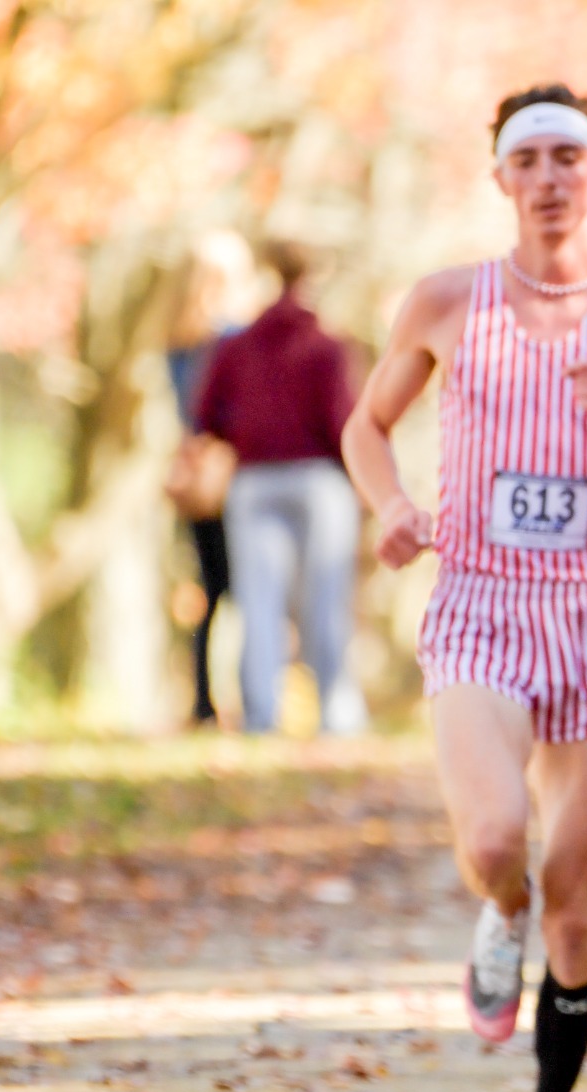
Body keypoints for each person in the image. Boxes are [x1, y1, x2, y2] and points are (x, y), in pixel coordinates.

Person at [339, 84, 587, 1092]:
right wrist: (391, 503)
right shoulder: (449, 301)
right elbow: (364, 424)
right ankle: (494, 914)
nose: (549, 178)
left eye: (568, 158)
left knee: (578, 909)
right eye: (528, 159)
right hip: (480, 607)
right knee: (499, 838)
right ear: (500, 178)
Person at [193, 240, 367, 735]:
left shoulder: (235, 345)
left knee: (259, 602)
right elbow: (343, 424)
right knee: (325, 599)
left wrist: (250, 428)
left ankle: (260, 716)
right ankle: (337, 716)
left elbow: (206, 416)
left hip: (255, 482)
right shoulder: (327, 347)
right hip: (318, 481)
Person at [164, 233, 251, 727]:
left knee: (212, 589)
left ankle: (204, 700)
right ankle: (235, 698)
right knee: (240, 588)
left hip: (200, 474)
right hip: (227, 473)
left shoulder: (178, 337)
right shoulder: (229, 337)